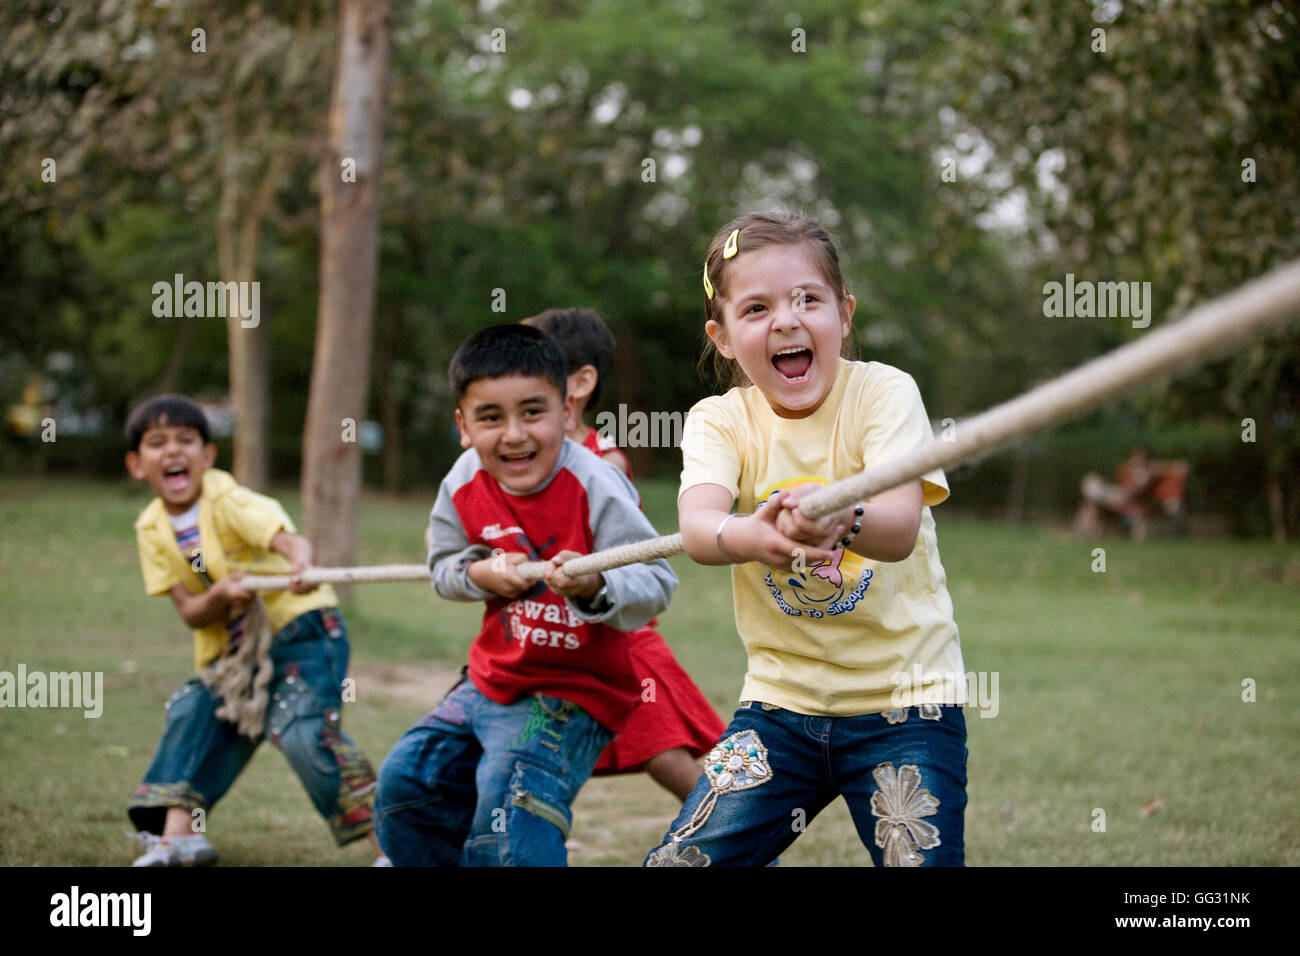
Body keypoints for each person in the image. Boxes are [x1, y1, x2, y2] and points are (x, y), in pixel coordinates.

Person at [645, 212, 969, 867]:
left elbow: (899, 528)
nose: (787, 321)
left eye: (807, 299)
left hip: (906, 711)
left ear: (844, 315)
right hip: (775, 710)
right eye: (757, 307)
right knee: (678, 863)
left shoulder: (883, 395)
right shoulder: (721, 421)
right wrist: (751, 534)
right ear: (725, 336)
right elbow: (699, 529)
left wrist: (841, 522)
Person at [375, 324, 677, 866]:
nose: (514, 434)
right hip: (491, 681)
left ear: (566, 413)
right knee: (405, 785)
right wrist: (482, 574)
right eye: (491, 417)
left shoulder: (596, 483)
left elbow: (657, 583)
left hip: (573, 693)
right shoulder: (463, 481)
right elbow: (443, 566)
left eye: (532, 412)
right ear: (464, 426)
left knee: (512, 799)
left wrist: (594, 583)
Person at [123, 394, 384, 865]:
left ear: (207, 457)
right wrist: (220, 596)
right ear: (137, 464)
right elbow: (191, 612)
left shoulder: (227, 499)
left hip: (304, 633)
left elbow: (287, 540)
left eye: (186, 440)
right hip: (236, 654)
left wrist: (301, 563)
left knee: (305, 736)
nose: (173, 452)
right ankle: (179, 837)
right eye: (157, 443)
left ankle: (399, 847)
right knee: (193, 709)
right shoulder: (151, 530)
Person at [521, 307, 726, 801]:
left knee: (664, 752)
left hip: (617, 638)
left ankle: (744, 843)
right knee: (518, 746)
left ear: (579, 382)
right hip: (553, 639)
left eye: (527, 367)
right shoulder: (519, 459)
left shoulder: (602, 460)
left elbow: (625, 558)